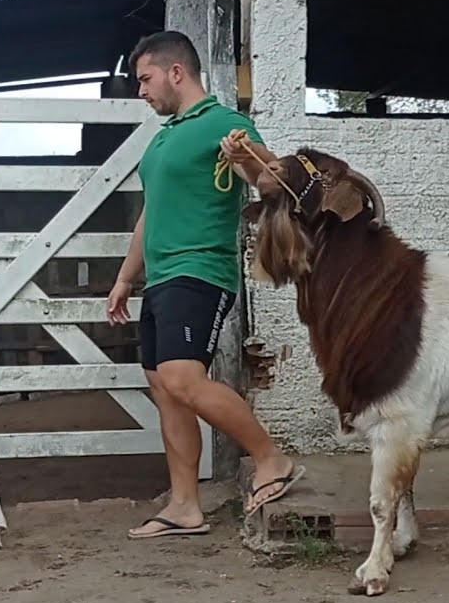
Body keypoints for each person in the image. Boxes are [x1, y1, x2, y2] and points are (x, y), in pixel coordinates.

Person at [107, 30, 304, 540]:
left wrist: (243, 158)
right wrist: (126, 277)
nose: (141, 91)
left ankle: (271, 458)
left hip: (199, 271)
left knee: (181, 378)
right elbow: (152, 214)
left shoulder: (226, 124)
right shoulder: (165, 137)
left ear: (177, 72)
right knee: (164, 389)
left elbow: (273, 182)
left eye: (145, 79)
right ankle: (184, 505)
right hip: (162, 277)